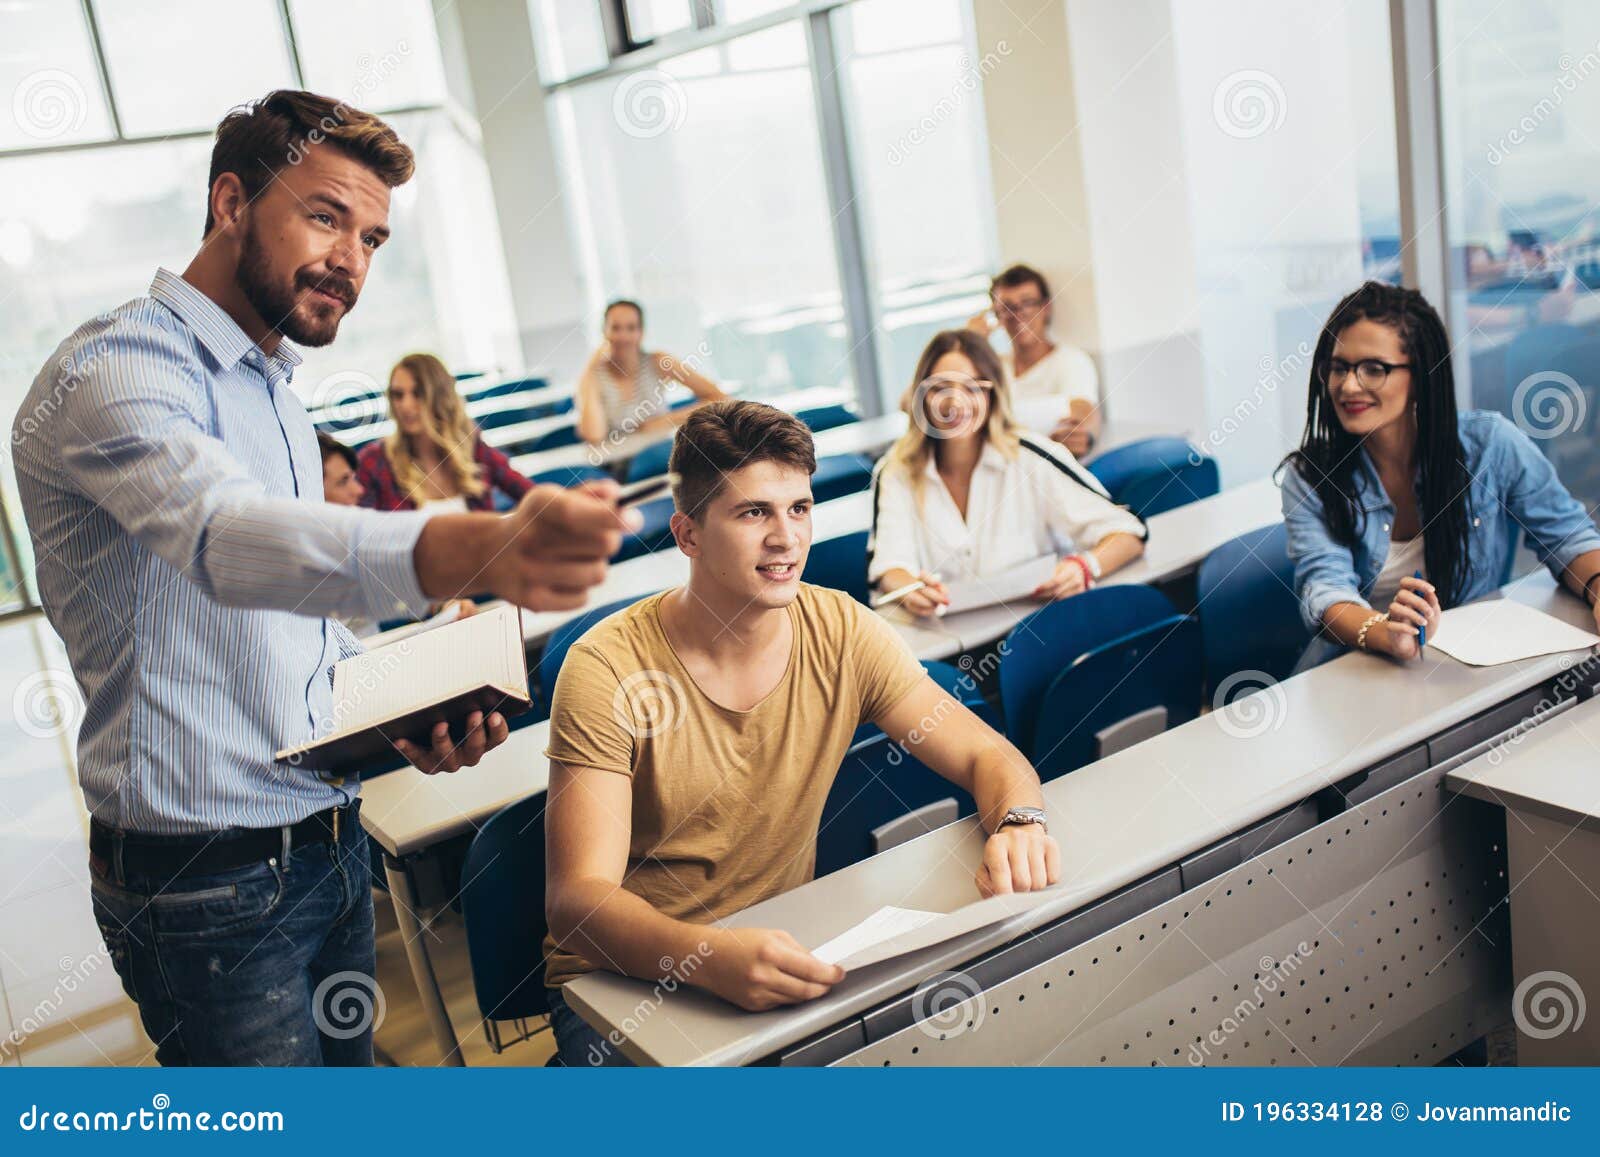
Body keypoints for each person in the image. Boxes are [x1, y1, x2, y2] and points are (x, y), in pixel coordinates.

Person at [9, 90, 636, 1067]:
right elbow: (226, 539)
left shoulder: (272, 389)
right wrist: (464, 545)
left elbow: (294, 623)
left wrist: (403, 706)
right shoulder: (118, 369)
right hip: (204, 883)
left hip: (326, 833)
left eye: (373, 238)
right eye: (325, 216)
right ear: (231, 203)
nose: (352, 259)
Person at [542, 400, 1061, 1066]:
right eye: (753, 513)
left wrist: (1019, 821)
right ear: (688, 535)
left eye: (799, 508)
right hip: (620, 984)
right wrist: (709, 959)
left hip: (779, 946)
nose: (786, 538)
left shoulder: (841, 629)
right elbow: (578, 903)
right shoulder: (605, 667)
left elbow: (988, 753)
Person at [1281, 281, 1600, 670]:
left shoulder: (1491, 445)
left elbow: (1568, 537)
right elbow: (1325, 590)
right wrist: (1385, 632)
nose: (1349, 385)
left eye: (1373, 369)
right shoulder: (1309, 476)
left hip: (1463, 667)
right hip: (1353, 670)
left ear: (1419, 376)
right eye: (1339, 367)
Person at [868, 329, 1146, 619]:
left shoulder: (1031, 456)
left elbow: (1129, 532)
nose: (955, 403)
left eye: (973, 388)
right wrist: (910, 588)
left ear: (993, 395)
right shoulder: (896, 470)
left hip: (1039, 624)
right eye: (940, 388)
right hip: (947, 634)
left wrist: (1084, 567)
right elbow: (889, 565)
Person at [319, 432, 474, 635]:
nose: (358, 490)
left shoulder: (357, 541)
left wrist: (446, 608)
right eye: (343, 481)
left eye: (353, 478)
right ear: (311, 492)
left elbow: (400, 592)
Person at [356, 352, 533, 513]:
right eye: (398, 395)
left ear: (440, 397)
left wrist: (507, 528)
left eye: (418, 393)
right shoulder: (374, 461)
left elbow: (534, 496)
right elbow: (355, 531)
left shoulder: (472, 447)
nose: (405, 405)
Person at [967, 264, 1101, 456]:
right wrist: (970, 344)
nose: (1018, 314)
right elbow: (928, 402)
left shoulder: (1071, 360)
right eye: (1006, 308)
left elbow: (1086, 413)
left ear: (1046, 308)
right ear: (996, 316)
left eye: (1028, 303)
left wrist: (1087, 436)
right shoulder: (993, 366)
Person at [574, 299, 727, 445]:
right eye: (615, 328)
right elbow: (594, 435)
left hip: (663, 452)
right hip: (620, 461)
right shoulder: (595, 377)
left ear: (641, 333)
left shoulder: (659, 362)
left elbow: (721, 399)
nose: (623, 336)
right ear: (604, 332)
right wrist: (592, 366)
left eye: (631, 328)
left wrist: (666, 420)